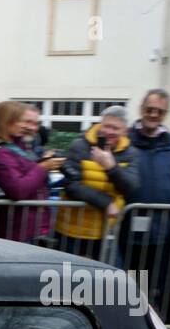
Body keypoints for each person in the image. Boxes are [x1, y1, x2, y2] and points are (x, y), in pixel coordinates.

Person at [119, 89, 170, 329]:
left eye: (159, 111)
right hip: (125, 223)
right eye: (149, 109)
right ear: (141, 109)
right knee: (128, 280)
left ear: (165, 113)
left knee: (151, 281)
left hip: (160, 227)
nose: (153, 114)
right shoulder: (125, 139)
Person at [55, 105, 140, 260]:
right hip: (72, 229)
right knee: (65, 279)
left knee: (97, 279)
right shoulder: (80, 146)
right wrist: (105, 202)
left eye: (115, 128)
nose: (109, 131)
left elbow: (130, 187)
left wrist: (111, 167)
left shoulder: (130, 153)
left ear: (125, 131)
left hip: (105, 230)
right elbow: (71, 185)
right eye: (106, 126)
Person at [0, 100, 62, 243]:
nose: (26, 126)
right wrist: (43, 167)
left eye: (34, 123)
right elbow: (18, 189)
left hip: (31, 225)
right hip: (16, 230)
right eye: (22, 121)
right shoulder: (0, 152)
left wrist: (42, 163)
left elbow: (26, 172)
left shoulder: (21, 144)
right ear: (6, 122)